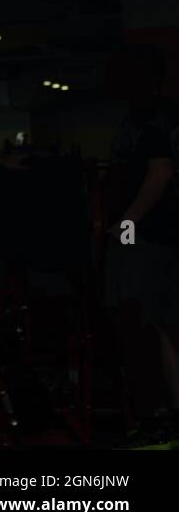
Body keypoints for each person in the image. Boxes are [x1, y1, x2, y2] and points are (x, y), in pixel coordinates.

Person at [104, 43, 179, 440]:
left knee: (142, 325)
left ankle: (154, 417)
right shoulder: (158, 114)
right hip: (157, 237)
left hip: (148, 239)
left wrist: (126, 224)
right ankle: (165, 414)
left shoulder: (151, 116)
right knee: (160, 326)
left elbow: (161, 171)